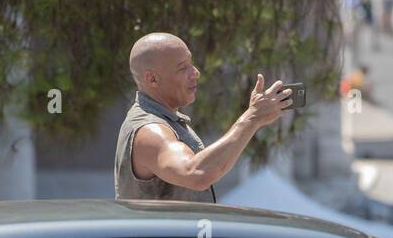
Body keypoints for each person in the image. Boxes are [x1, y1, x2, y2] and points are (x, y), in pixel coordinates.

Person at [115, 32, 293, 204]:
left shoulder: (166, 119)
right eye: (183, 68)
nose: (195, 73)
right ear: (152, 79)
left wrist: (253, 119)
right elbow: (195, 173)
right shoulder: (150, 130)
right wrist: (251, 118)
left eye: (191, 64)